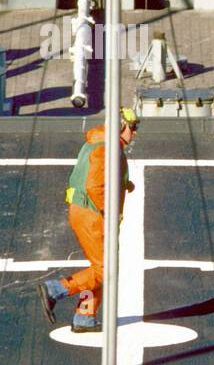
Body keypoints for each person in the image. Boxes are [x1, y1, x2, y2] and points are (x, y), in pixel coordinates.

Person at [38, 109, 139, 332]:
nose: (134, 132)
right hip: (92, 214)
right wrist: (109, 212)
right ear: (121, 127)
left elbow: (100, 176)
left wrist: (124, 184)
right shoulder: (106, 149)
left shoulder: (100, 142)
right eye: (133, 127)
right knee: (106, 270)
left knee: (100, 267)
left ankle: (85, 316)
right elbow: (95, 186)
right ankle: (56, 289)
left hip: (84, 211)